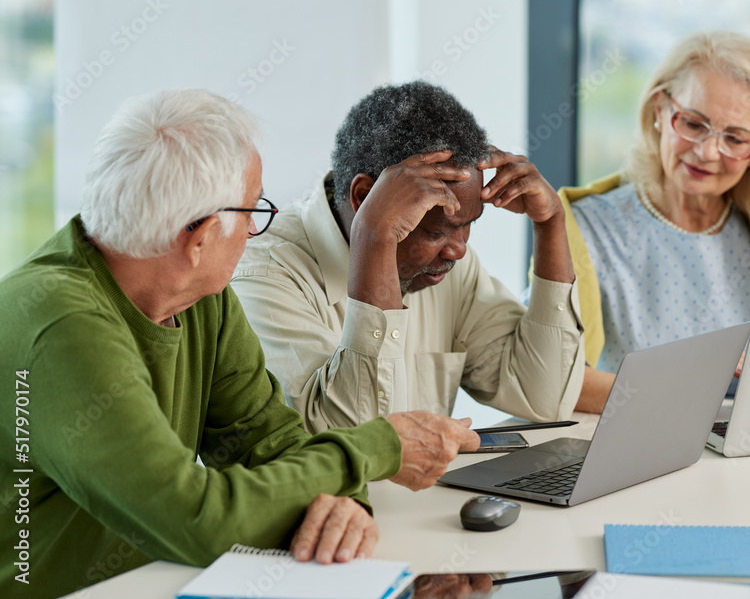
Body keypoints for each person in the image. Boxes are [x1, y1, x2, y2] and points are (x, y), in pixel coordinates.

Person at [0, 89, 479, 598]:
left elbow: (273, 446)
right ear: (201, 236)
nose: (254, 229)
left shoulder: (201, 297)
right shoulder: (58, 322)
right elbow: (196, 517)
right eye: (254, 211)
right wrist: (377, 447)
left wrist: (342, 506)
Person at [232, 81, 584, 432]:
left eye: (467, 225)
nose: (458, 249)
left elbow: (544, 397)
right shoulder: (264, 278)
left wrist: (550, 225)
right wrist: (376, 241)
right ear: (364, 198)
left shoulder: (444, 269)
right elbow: (358, 441)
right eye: (436, 232)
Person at [561, 31, 750, 412]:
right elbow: (558, 380)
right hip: (644, 446)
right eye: (692, 123)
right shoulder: (587, 225)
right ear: (660, 110)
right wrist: (696, 387)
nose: (706, 152)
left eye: (735, 139)